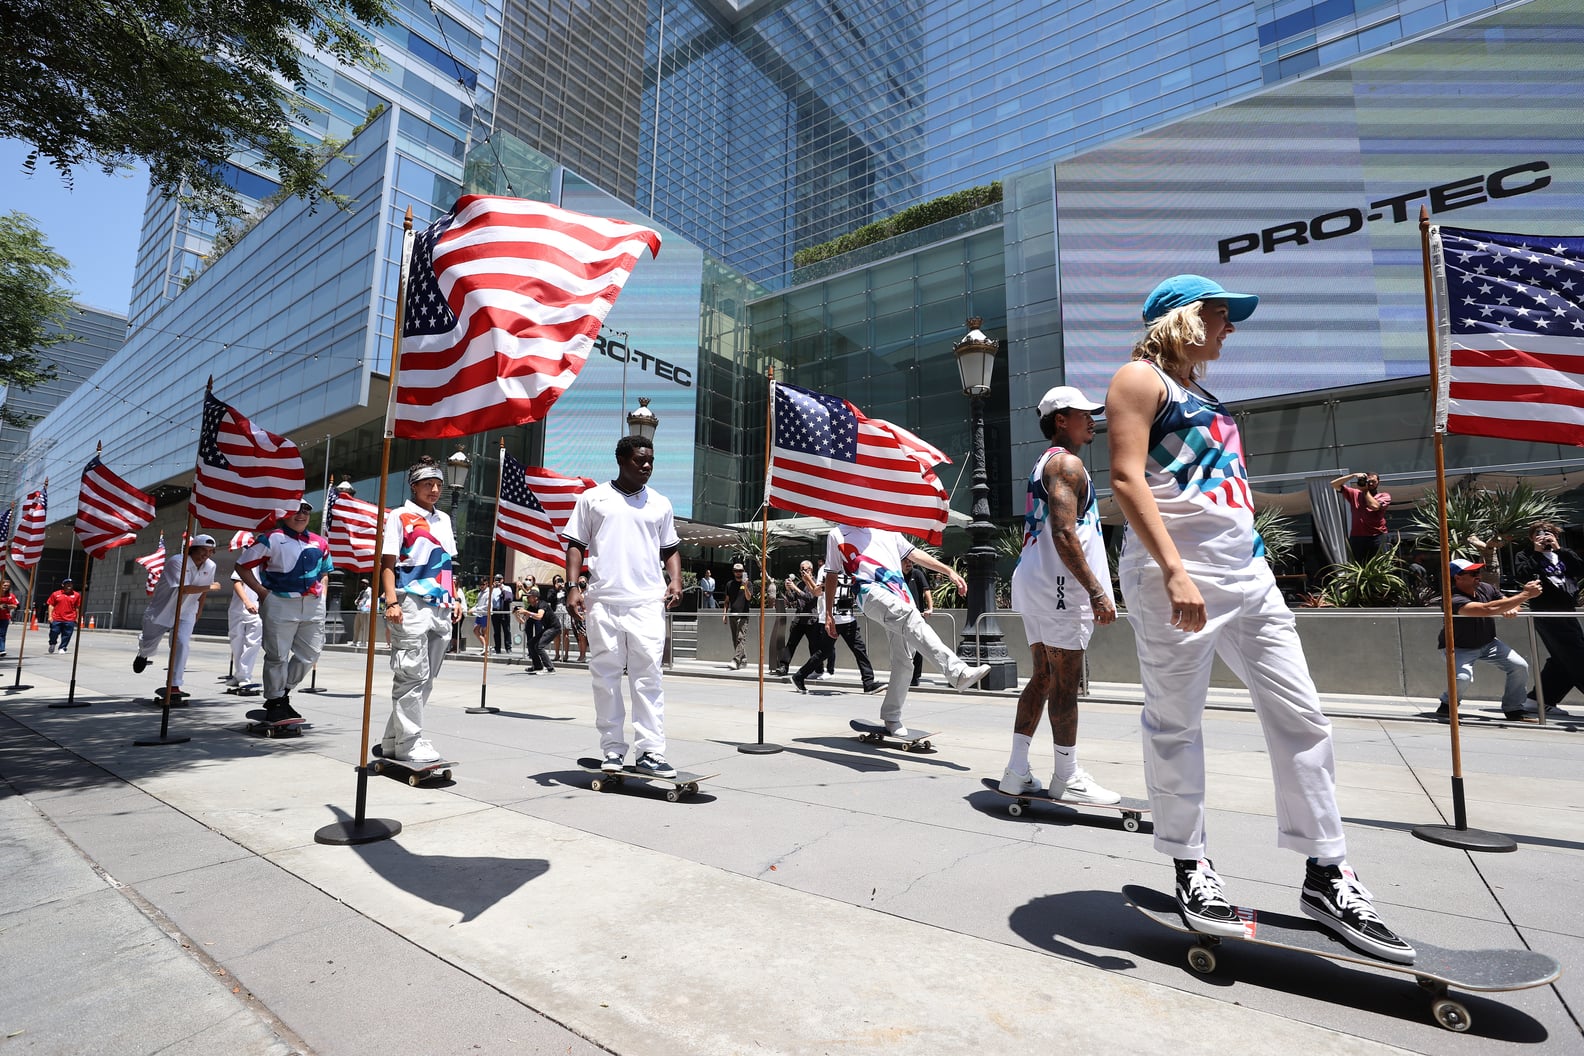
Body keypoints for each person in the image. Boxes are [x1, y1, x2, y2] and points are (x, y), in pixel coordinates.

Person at [1106, 274, 1413, 963]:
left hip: (1246, 574)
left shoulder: (1205, 396)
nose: (1230, 329)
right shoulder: (1138, 379)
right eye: (1221, 316)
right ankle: (1191, 865)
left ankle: (1327, 873)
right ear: (1182, 320)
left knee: (1303, 714)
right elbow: (1126, 478)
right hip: (1176, 574)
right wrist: (1176, 571)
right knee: (1176, 721)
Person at [1001, 385, 1122, 805]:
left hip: (1036, 582)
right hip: (1060, 588)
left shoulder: (1046, 462)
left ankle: (1016, 771)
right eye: (1082, 413)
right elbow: (1065, 531)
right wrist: (1096, 591)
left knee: (1044, 677)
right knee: (1066, 685)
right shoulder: (1067, 464)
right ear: (1060, 420)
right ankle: (1067, 775)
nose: (1092, 419)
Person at [565, 434, 683, 777]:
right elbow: (576, 544)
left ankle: (651, 752)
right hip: (603, 601)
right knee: (606, 677)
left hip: (647, 601)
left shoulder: (660, 503)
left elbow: (670, 548)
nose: (646, 466)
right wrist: (573, 587)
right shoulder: (593, 499)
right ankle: (613, 749)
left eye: (650, 461)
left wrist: (674, 580)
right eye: (639, 461)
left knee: (649, 678)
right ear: (621, 460)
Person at [815, 523, 988, 732]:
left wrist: (947, 570)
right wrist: (828, 614)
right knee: (909, 617)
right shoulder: (837, 534)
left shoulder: (886, 529)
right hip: (868, 592)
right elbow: (831, 574)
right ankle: (957, 672)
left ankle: (891, 716)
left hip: (900, 593)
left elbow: (914, 554)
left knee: (905, 660)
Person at [379, 456, 458, 765]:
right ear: (414, 486)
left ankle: (392, 740)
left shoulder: (445, 520)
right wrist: (391, 602)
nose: (435, 489)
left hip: (441, 604)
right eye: (428, 484)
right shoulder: (400, 516)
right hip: (410, 601)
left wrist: (455, 598)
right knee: (411, 674)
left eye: (438, 484)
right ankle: (410, 742)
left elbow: (448, 564)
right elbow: (387, 564)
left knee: (426, 678)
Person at [236, 500, 334, 724]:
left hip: (313, 604)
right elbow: (242, 565)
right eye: (296, 511)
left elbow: (325, 572)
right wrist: (262, 593)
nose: (301, 515)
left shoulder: (320, 542)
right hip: (279, 601)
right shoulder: (271, 538)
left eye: (306, 511)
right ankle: (275, 701)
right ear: (284, 514)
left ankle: (282, 694)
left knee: (311, 654)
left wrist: (324, 595)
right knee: (277, 655)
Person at [1436, 558, 1542, 722]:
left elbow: (1509, 603)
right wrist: (1526, 594)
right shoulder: (1452, 598)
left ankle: (1514, 709)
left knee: (1519, 666)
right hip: (1458, 647)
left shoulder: (1486, 588)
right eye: (1473, 573)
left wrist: (1512, 608)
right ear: (1458, 577)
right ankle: (1447, 704)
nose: (1478, 575)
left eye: (1478, 572)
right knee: (1462, 678)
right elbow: (1487, 609)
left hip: (1488, 643)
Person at [133, 535, 220, 700]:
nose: (206, 554)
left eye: (210, 551)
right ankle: (143, 654)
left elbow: (203, 592)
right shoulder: (177, 561)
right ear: (193, 549)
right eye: (203, 550)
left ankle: (174, 685)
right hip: (163, 610)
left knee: (182, 644)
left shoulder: (210, 565)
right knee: (149, 642)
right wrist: (211, 586)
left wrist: (199, 610)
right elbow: (184, 589)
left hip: (187, 611)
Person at [1511, 521, 1583, 715]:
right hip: (1546, 613)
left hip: (1567, 612)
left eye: (1548, 534)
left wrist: (1560, 550)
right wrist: (1536, 552)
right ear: (1531, 537)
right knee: (1577, 656)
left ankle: (1539, 700)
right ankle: (1541, 700)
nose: (1543, 537)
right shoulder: (1525, 556)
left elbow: (1579, 570)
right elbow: (1523, 576)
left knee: (1563, 659)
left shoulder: (1564, 554)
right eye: (1538, 534)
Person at [792, 562, 883, 694]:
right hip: (831, 619)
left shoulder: (852, 567)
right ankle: (799, 676)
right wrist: (816, 582)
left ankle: (868, 683)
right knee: (823, 652)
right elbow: (817, 592)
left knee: (859, 649)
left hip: (848, 618)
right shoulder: (826, 568)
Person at [1330, 471, 1392, 561]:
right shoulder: (1355, 494)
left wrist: (1365, 491)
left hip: (1377, 536)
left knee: (1379, 565)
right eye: (1368, 481)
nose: (1370, 483)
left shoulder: (1384, 496)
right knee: (1359, 565)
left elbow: (1374, 506)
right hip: (1357, 536)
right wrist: (1352, 476)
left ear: (1378, 482)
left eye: (1373, 481)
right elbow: (1334, 484)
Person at [777, 562, 821, 677]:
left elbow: (809, 598)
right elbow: (792, 599)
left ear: (811, 570)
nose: (802, 572)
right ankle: (783, 666)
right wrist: (788, 590)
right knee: (791, 644)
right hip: (799, 619)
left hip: (812, 619)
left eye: (805, 570)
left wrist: (795, 588)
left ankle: (818, 668)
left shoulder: (815, 583)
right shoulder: (800, 583)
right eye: (801, 570)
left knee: (814, 646)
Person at [225, 571, 262, 694]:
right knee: (236, 642)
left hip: (258, 608)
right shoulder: (248, 560)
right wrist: (247, 602)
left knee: (253, 642)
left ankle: (245, 676)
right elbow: (237, 582)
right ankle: (239, 674)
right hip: (239, 608)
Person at [901, 556, 933, 687]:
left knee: (918, 646)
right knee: (903, 647)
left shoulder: (917, 574)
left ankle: (915, 677)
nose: (909, 564)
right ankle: (904, 675)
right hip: (901, 616)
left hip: (917, 616)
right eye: (906, 562)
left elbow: (926, 591)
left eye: (911, 562)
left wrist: (930, 608)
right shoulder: (897, 575)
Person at [725, 562, 753, 669]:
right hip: (732, 614)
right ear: (733, 572)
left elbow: (749, 598)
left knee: (741, 638)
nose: (738, 573)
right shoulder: (729, 584)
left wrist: (745, 586)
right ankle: (744, 659)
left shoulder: (748, 584)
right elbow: (727, 601)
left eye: (740, 571)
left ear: (743, 571)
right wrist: (724, 615)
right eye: (736, 571)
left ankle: (736, 660)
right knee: (735, 639)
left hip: (743, 615)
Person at [46, 576, 82, 654]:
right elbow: (51, 605)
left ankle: (62, 647)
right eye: (67, 584)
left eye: (71, 584)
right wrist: (50, 616)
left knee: (67, 634)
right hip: (57, 618)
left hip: (69, 618)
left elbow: (77, 607)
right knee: (54, 632)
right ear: (63, 585)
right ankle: (52, 643)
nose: (69, 585)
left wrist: (77, 618)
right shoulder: (55, 594)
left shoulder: (76, 595)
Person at [489, 574, 514, 654]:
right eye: (496, 579)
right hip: (495, 611)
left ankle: (508, 647)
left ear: (502, 580)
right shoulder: (492, 589)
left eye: (499, 579)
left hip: (504, 611)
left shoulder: (507, 588)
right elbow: (488, 598)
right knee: (496, 631)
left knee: (506, 630)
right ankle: (497, 648)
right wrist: (492, 588)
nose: (498, 581)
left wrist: (502, 588)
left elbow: (509, 598)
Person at [0, 577, 17, 657]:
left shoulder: (11, 596)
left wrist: (7, 606)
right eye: (4, 585)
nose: (5, 587)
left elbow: (15, 605)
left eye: (7, 586)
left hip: (4, 617)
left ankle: (2, 650)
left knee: (2, 634)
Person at [352, 579, 372, 647]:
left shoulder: (369, 591)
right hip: (359, 610)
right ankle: (355, 641)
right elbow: (356, 600)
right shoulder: (362, 592)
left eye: (364, 583)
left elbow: (364, 600)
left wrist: (359, 602)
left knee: (364, 627)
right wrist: (357, 602)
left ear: (367, 584)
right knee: (356, 626)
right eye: (362, 583)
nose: (363, 584)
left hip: (365, 611)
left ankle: (363, 642)